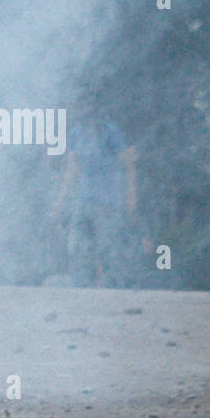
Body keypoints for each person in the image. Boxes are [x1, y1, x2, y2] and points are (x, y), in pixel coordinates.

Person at [50, 96, 138, 287]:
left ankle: (112, 289)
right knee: (77, 246)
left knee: (108, 250)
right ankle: (82, 287)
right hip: (84, 200)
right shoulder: (76, 134)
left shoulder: (110, 132)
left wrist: (131, 197)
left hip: (109, 202)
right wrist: (60, 201)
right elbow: (72, 170)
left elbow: (129, 164)